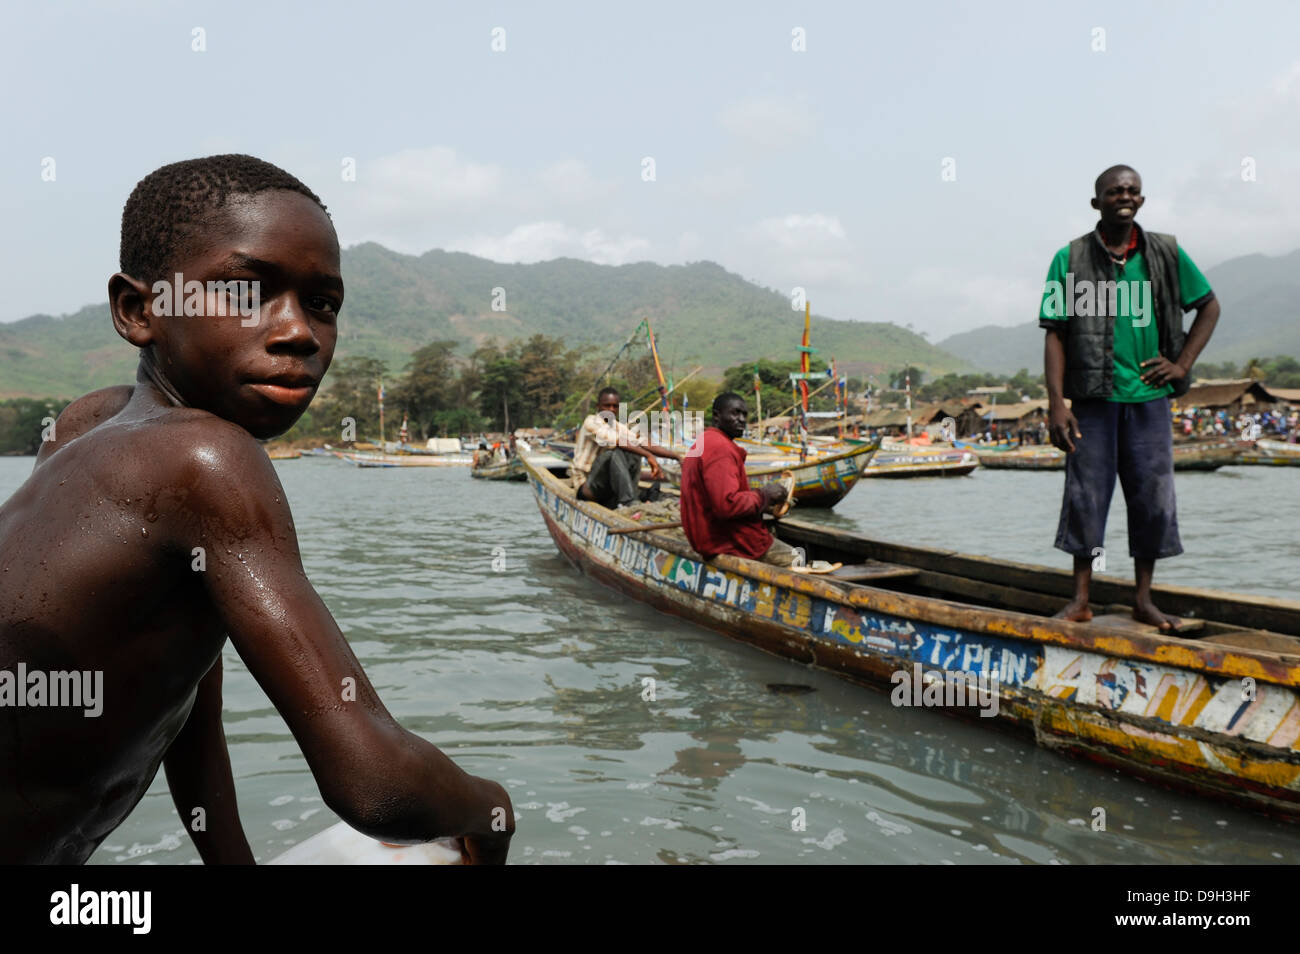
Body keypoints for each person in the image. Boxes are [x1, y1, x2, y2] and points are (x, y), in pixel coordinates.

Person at [0, 155, 512, 864]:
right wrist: (490, 808)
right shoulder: (210, 460)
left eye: (322, 303)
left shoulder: (85, 426)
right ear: (139, 310)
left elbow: (181, 689)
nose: (298, 332)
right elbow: (375, 785)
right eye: (246, 292)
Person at [1041, 164, 1220, 630]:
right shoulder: (1071, 258)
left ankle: (1143, 599)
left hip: (1149, 400)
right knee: (1086, 498)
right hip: (1093, 402)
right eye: (1114, 191)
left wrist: (1181, 366)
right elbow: (1056, 333)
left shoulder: (1165, 252)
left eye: (1132, 190)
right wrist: (1056, 402)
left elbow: (1209, 306)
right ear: (1096, 202)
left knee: (1152, 500)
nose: (1125, 196)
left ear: (1141, 199)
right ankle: (1081, 599)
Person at [680, 392, 794, 565]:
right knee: (796, 558)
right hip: (727, 542)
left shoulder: (705, 442)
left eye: (744, 415)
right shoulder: (720, 448)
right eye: (735, 413)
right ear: (717, 416)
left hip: (706, 538)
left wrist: (764, 503)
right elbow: (727, 505)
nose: (741, 419)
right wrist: (764, 495)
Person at [571, 386, 680, 510]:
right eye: (607, 406)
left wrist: (677, 457)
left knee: (633, 451)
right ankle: (629, 501)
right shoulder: (591, 422)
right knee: (614, 453)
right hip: (586, 486)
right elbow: (618, 442)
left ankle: (630, 495)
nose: (611, 410)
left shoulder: (617, 426)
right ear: (598, 406)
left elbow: (642, 442)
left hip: (607, 487)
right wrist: (648, 456)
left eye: (615, 406)